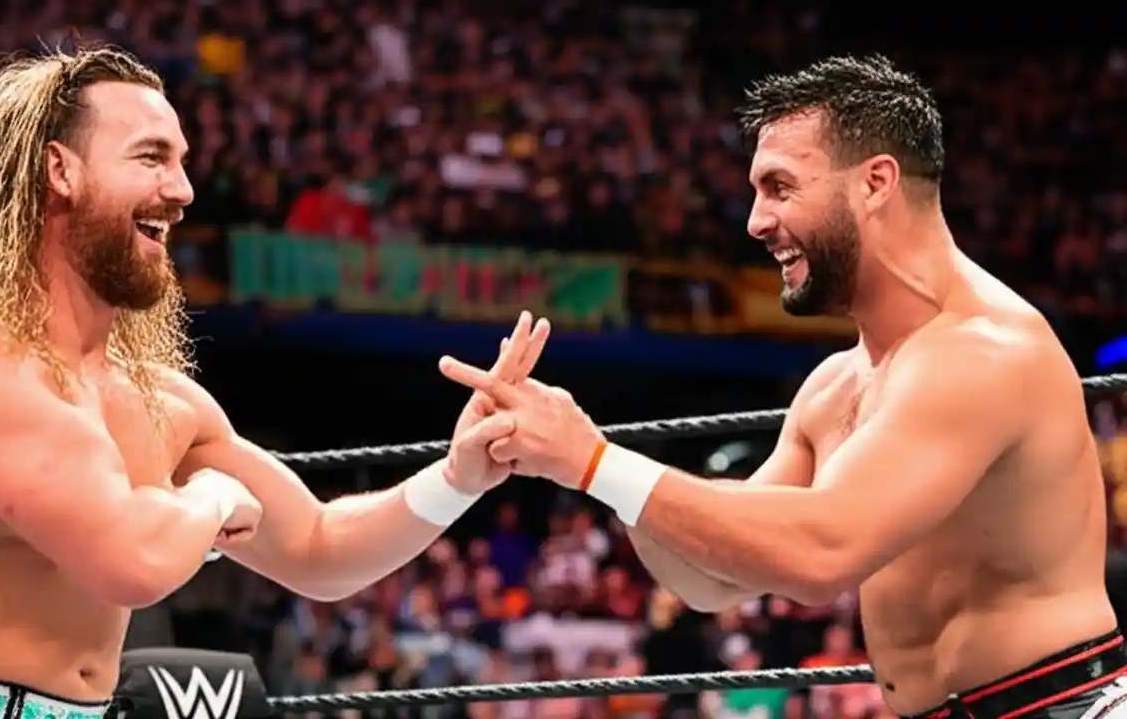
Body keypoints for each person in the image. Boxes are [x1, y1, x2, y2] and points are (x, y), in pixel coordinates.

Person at [0, 45, 548, 717]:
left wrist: (457, 478)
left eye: (182, 163)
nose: (181, 192)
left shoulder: (161, 401)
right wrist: (211, 498)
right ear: (60, 171)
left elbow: (319, 549)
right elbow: (129, 560)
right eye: (151, 157)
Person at [438, 55, 1127, 718]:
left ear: (876, 182)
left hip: (1061, 705)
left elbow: (822, 552)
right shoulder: (835, 388)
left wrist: (592, 458)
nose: (756, 221)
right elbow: (710, 578)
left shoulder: (983, 352)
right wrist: (588, 467)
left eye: (780, 186)